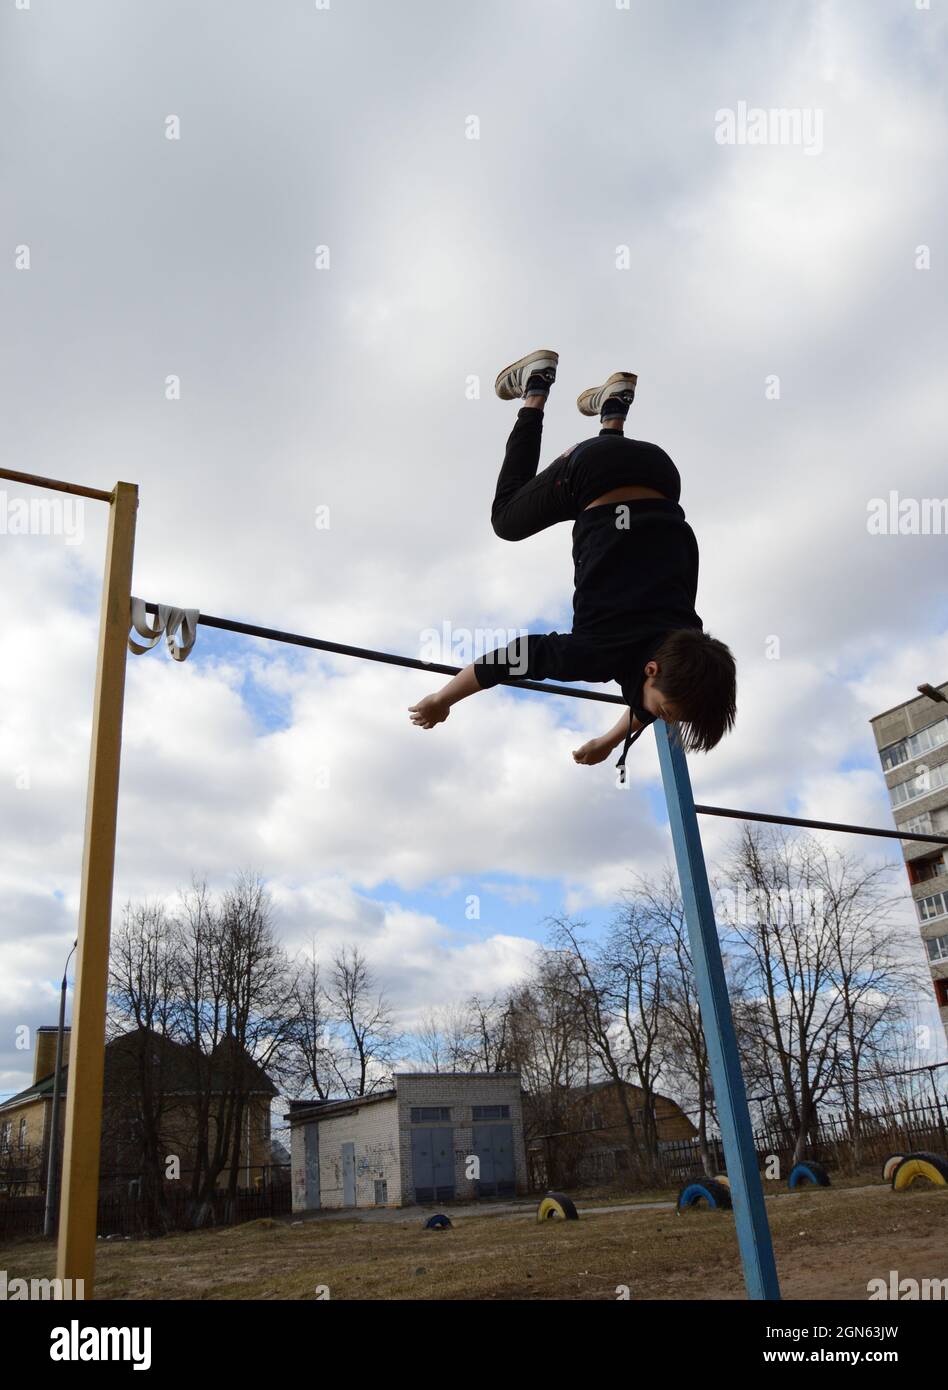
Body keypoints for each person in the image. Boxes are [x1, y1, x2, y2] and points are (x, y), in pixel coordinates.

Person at [409, 349, 736, 774]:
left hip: (661, 474)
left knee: (619, 516)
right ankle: (533, 389)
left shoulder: (688, 641)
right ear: (651, 670)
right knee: (506, 520)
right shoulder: (597, 653)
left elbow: (649, 699)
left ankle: (613, 411)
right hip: (593, 473)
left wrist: (606, 741)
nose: (664, 717)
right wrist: (441, 699)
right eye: (669, 712)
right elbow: (514, 657)